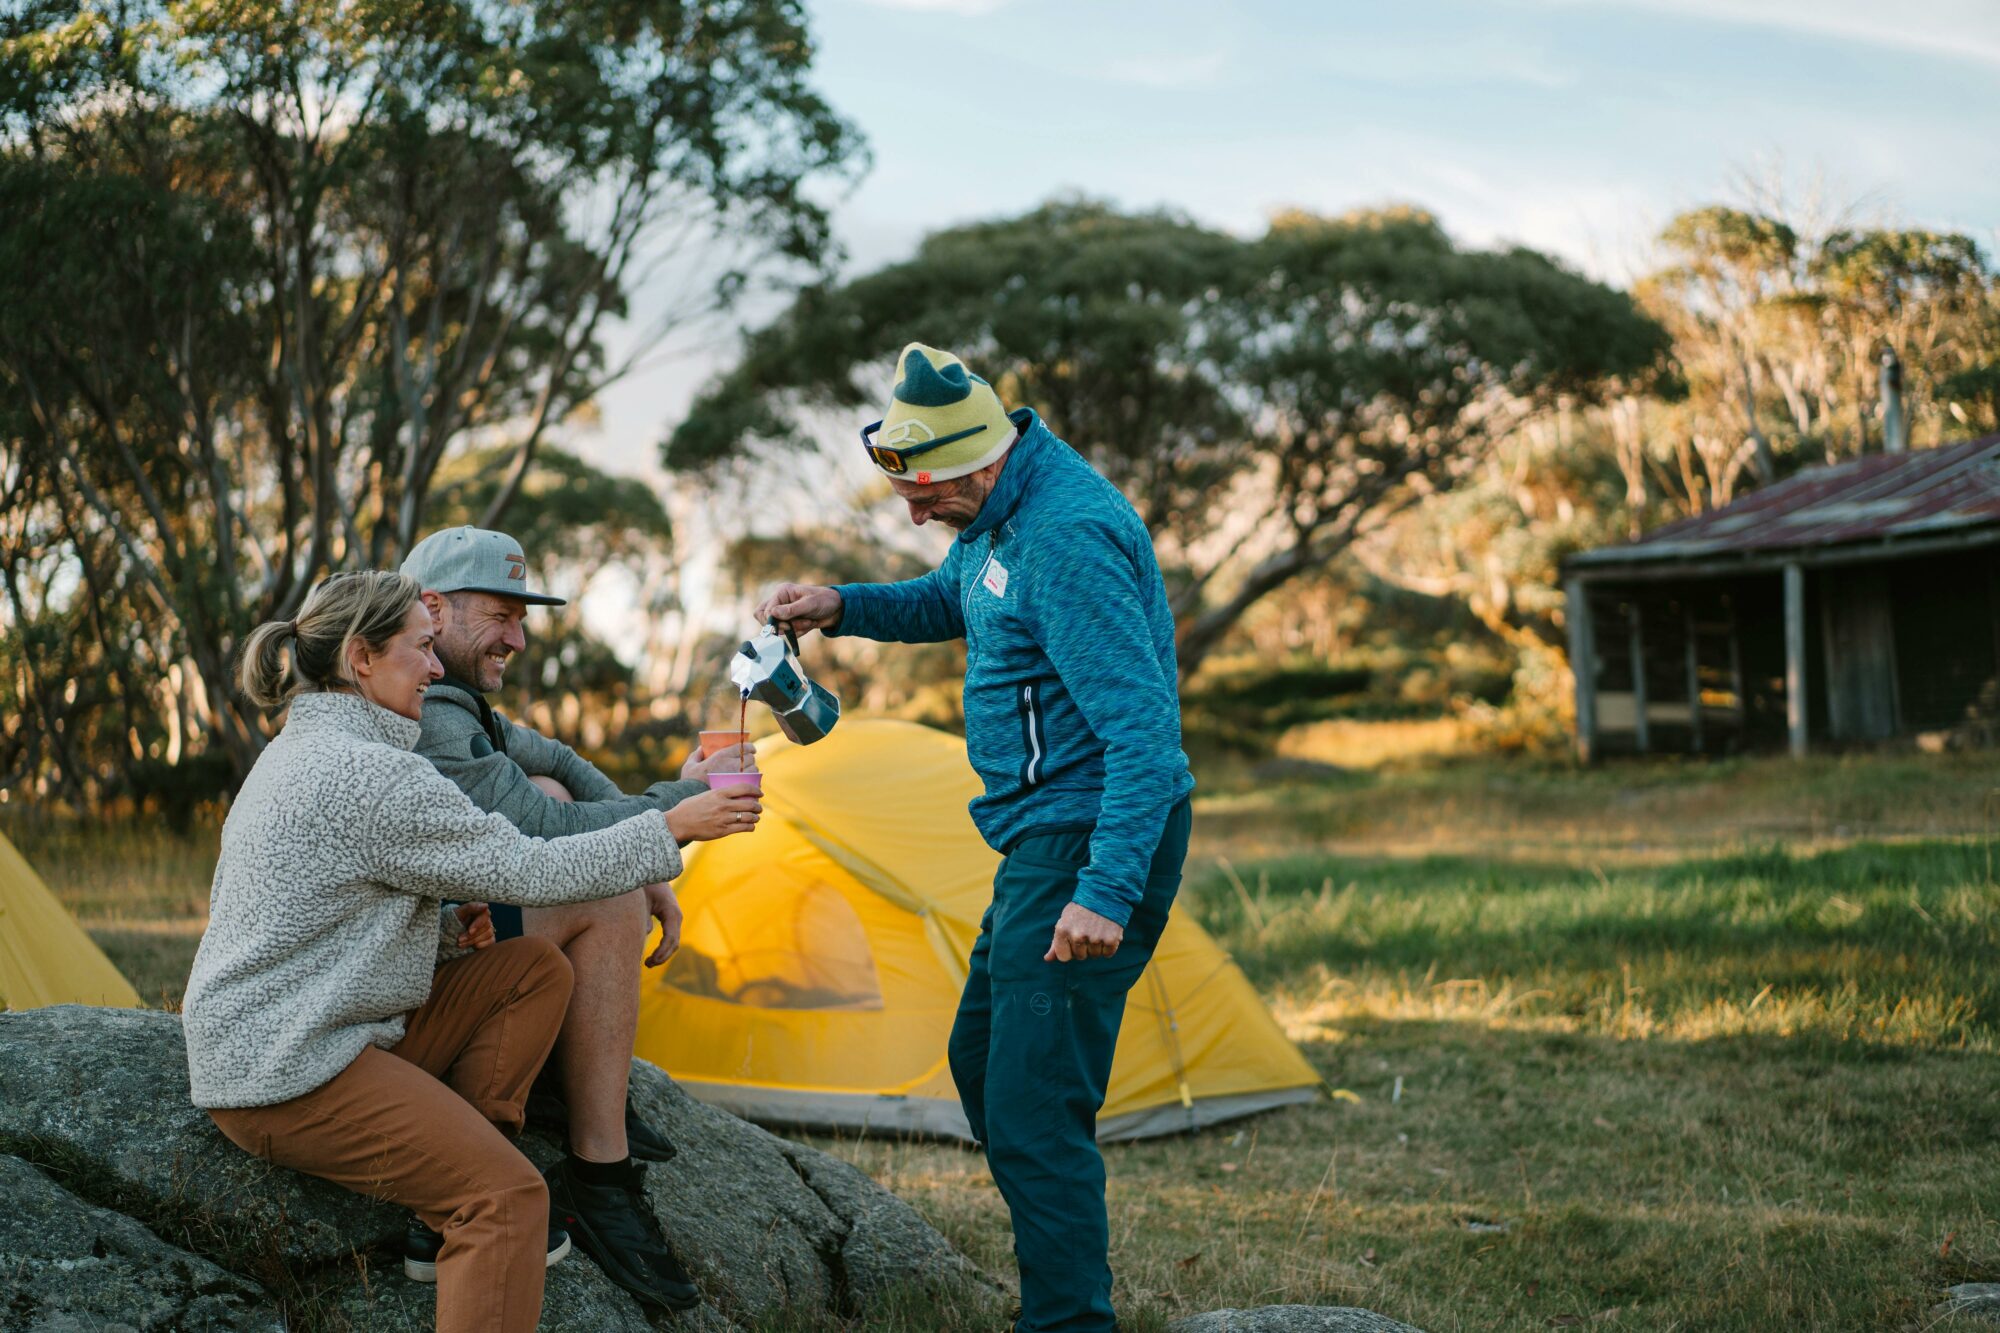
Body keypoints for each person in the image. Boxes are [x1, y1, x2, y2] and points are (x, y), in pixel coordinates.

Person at [182, 571, 760, 1333]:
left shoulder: (305, 746)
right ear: (361, 658)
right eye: (421, 648)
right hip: (287, 1067)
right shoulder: (370, 773)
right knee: (508, 1199)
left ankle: (452, 1175)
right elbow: (534, 870)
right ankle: (469, 1195)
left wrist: (450, 933)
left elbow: (311, 915)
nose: (433, 667)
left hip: (312, 1024)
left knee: (530, 969)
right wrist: (674, 826)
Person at [753, 343, 1195, 1333]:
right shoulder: (999, 511)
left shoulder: (1066, 538)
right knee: (983, 1058)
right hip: (1042, 840)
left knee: (1034, 1105)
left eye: (927, 495)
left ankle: (1067, 1319)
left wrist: (1105, 891)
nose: (916, 515)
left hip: (1087, 839)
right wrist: (841, 605)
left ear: (983, 459)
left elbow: (1145, 739)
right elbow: (955, 597)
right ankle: (1061, 1279)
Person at [398, 525, 755, 1312]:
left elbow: (558, 765)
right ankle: (599, 1170)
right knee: (602, 884)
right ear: (434, 609)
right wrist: (674, 815)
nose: (519, 638)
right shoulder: (428, 717)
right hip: (399, 993)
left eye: (522, 619)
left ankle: (578, 1089)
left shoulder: (457, 703)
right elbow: (542, 829)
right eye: (502, 615)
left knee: (569, 805)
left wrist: (646, 847)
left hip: (440, 953)